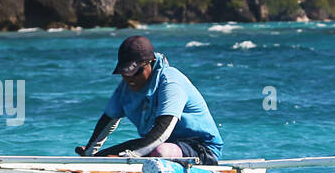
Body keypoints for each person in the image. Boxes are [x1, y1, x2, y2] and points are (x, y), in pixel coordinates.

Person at [76, 35, 224, 163]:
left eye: (136, 72)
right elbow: (108, 119)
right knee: (101, 159)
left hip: (200, 148)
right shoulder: (127, 87)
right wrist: (89, 152)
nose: (130, 79)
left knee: (160, 152)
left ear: (151, 63)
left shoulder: (171, 82)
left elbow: (163, 129)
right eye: (125, 73)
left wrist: (130, 157)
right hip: (159, 143)